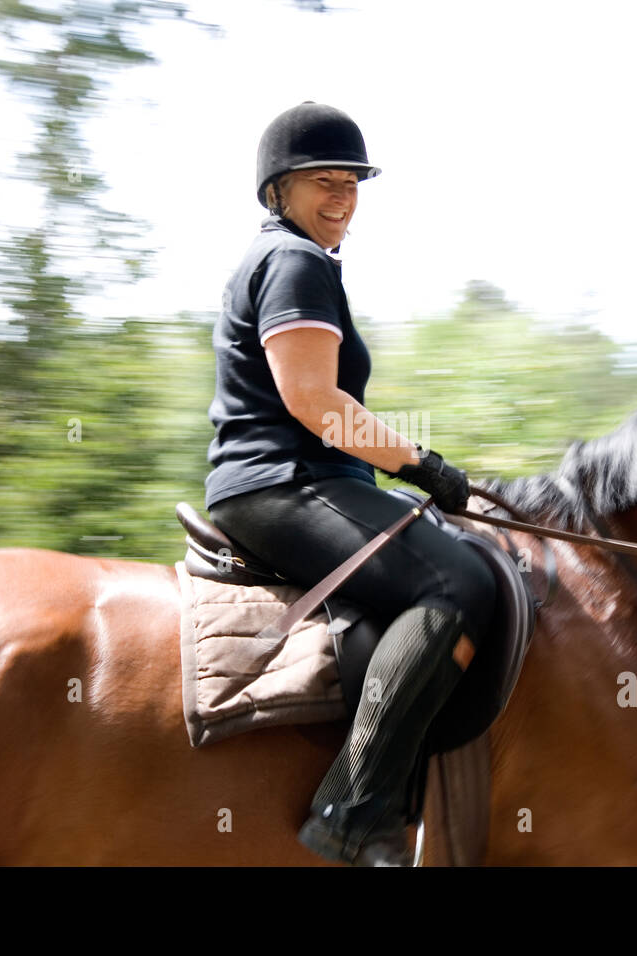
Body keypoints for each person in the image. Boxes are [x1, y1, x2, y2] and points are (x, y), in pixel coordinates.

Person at [203, 101, 497, 866]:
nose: (342, 196)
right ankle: (353, 810)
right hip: (284, 481)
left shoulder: (296, 261)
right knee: (460, 584)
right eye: (322, 182)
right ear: (277, 192)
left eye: (352, 182)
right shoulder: (293, 262)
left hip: (298, 478)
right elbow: (317, 405)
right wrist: (426, 467)